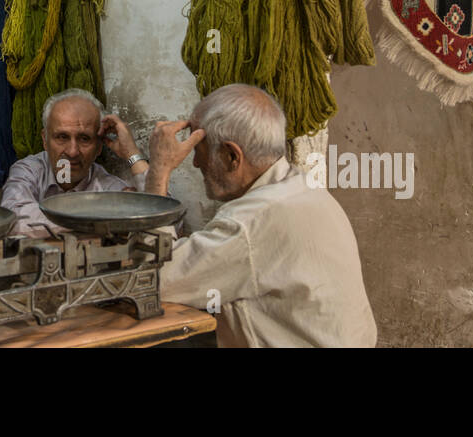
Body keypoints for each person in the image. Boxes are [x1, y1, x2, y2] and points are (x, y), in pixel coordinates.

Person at [145, 83, 377, 347]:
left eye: (200, 151)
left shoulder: (253, 221)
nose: (196, 163)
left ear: (232, 156)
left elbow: (155, 280)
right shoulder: (302, 189)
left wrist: (159, 171)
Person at [0, 88, 147, 237]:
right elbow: (12, 219)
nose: (72, 152)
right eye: (62, 137)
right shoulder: (29, 170)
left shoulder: (106, 185)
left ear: (98, 147)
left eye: (84, 138)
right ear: (45, 140)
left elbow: (158, 217)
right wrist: (101, 211)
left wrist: (132, 153)